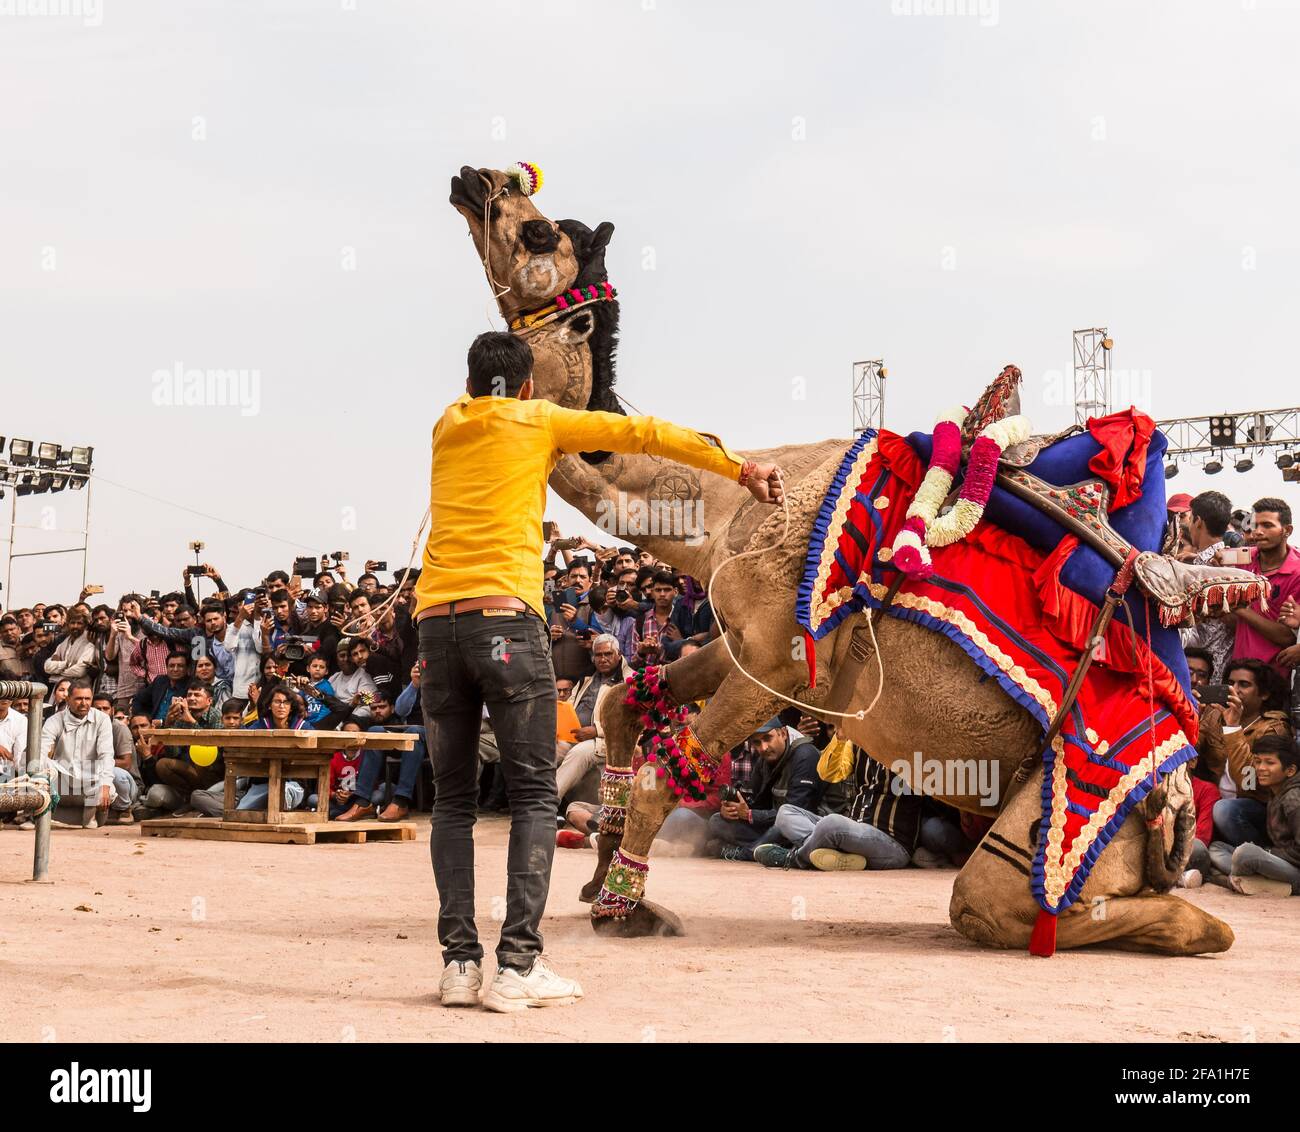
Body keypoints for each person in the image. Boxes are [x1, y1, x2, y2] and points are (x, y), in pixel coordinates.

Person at [414, 330, 784, 1011]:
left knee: (453, 803)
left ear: (471, 386)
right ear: (526, 387)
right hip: (504, 621)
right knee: (531, 797)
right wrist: (742, 469)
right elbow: (642, 433)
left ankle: (459, 967)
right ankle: (519, 967)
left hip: (437, 626)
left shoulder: (447, 423)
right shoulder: (540, 420)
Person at [754, 742, 924, 871]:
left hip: (892, 845)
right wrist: (841, 739)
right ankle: (836, 856)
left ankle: (794, 859)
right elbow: (828, 773)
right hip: (852, 831)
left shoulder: (910, 746)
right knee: (785, 813)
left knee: (832, 823)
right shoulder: (858, 744)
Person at [1198, 657, 1292, 849]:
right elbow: (1190, 757)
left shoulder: (1273, 727)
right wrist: (1193, 717)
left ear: (1264, 694)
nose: (1235, 689)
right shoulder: (1215, 715)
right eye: (1230, 683)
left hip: (1253, 808)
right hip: (1215, 800)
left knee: (1224, 810)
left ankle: (1262, 856)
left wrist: (1233, 728)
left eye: (1244, 684)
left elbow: (1249, 783)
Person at [708, 717, 824, 861]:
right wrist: (732, 809)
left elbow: (796, 815)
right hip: (772, 825)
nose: (763, 747)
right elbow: (756, 802)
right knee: (717, 820)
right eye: (757, 742)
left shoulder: (805, 756)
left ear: (783, 733)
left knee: (783, 824)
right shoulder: (765, 759)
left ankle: (746, 853)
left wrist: (750, 815)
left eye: (768, 738)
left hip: (802, 827)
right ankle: (761, 849)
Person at [39, 679, 131, 829]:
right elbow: (42, 750)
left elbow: (106, 755)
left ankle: (88, 819)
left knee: (108, 788)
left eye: (87, 699)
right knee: (34, 763)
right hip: (62, 780)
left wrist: (105, 786)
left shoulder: (102, 720)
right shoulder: (55, 720)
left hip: (89, 780)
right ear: (68, 699)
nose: (84, 703)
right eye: (78, 698)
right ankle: (35, 816)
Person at [1219, 733, 1300, 895]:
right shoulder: (1276, 790)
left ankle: (1237, 879)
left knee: (1246, 853)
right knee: (1217, 847)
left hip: (1296, 870)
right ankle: (1261, 881)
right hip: (1278, 861)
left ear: (1290, 770)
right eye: (1257, 762)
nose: (1261, 768)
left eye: (1269, 763)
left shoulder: (1294, 798)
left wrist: (1268, 853)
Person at [1232, 498, 1300, 677]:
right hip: (1239, 671)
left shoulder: (1297, 572)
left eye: (1267, 525)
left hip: (1274, 676)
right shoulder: (1242, 558)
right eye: (1255, 525)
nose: (1258, 532)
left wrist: (1240, 609)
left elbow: (1288, 636)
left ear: (1287, 530)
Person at [1178, 491, 1235, 682]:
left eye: (1190, 518)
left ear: (1199, 521)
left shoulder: (1210, 565)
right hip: (1214, 662)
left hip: (1204, 667)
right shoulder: (1225, 558)